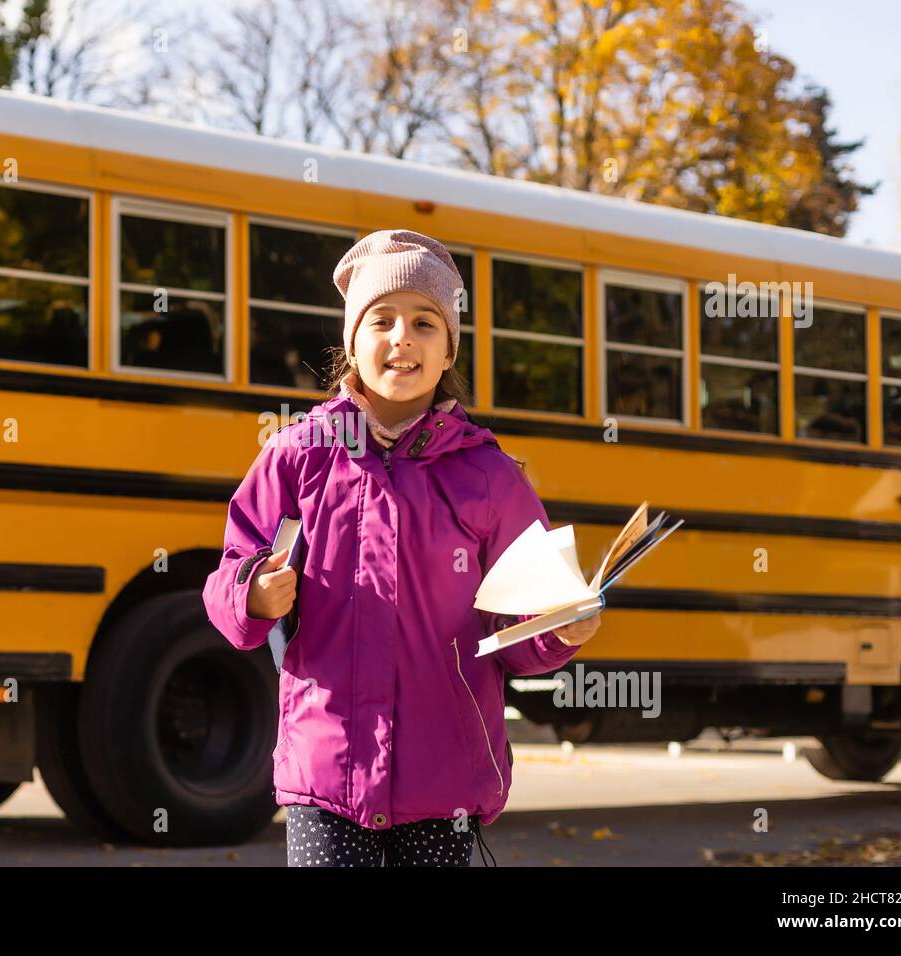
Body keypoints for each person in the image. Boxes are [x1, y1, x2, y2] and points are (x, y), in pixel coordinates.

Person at [202, 229, 603, 867]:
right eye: (381, 319)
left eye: (425, 322)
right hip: (325, 775)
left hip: (445, 777)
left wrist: (562, 629)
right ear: (352, 345)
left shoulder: (492, 477)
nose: (402, 338)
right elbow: (228, 580)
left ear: (449, 352)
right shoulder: (297, 455)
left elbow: (518, 634)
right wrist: (251, 593)